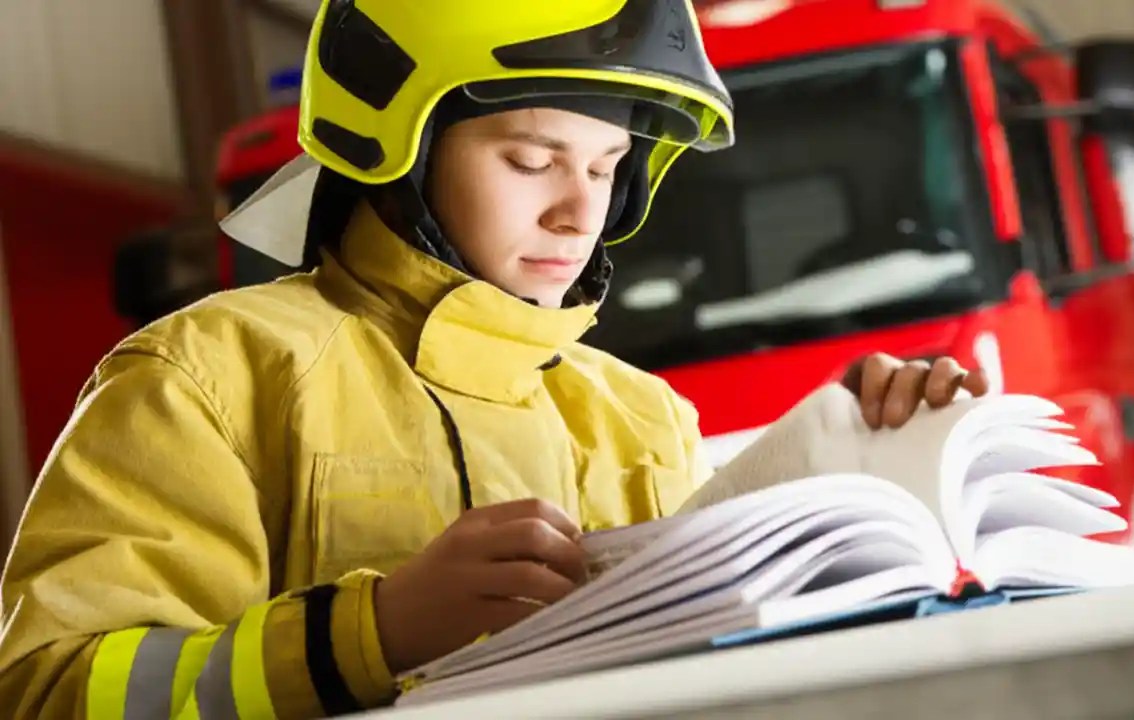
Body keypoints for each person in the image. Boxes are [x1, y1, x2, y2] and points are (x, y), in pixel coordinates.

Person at [0, 1, 988, 717]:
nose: (576, 211)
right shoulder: (208, 377)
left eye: (604, 169)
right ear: (402, 148)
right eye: (530, 159)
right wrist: (373, 633)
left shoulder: (639, 416)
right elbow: (49, 691)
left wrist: (860, 462)